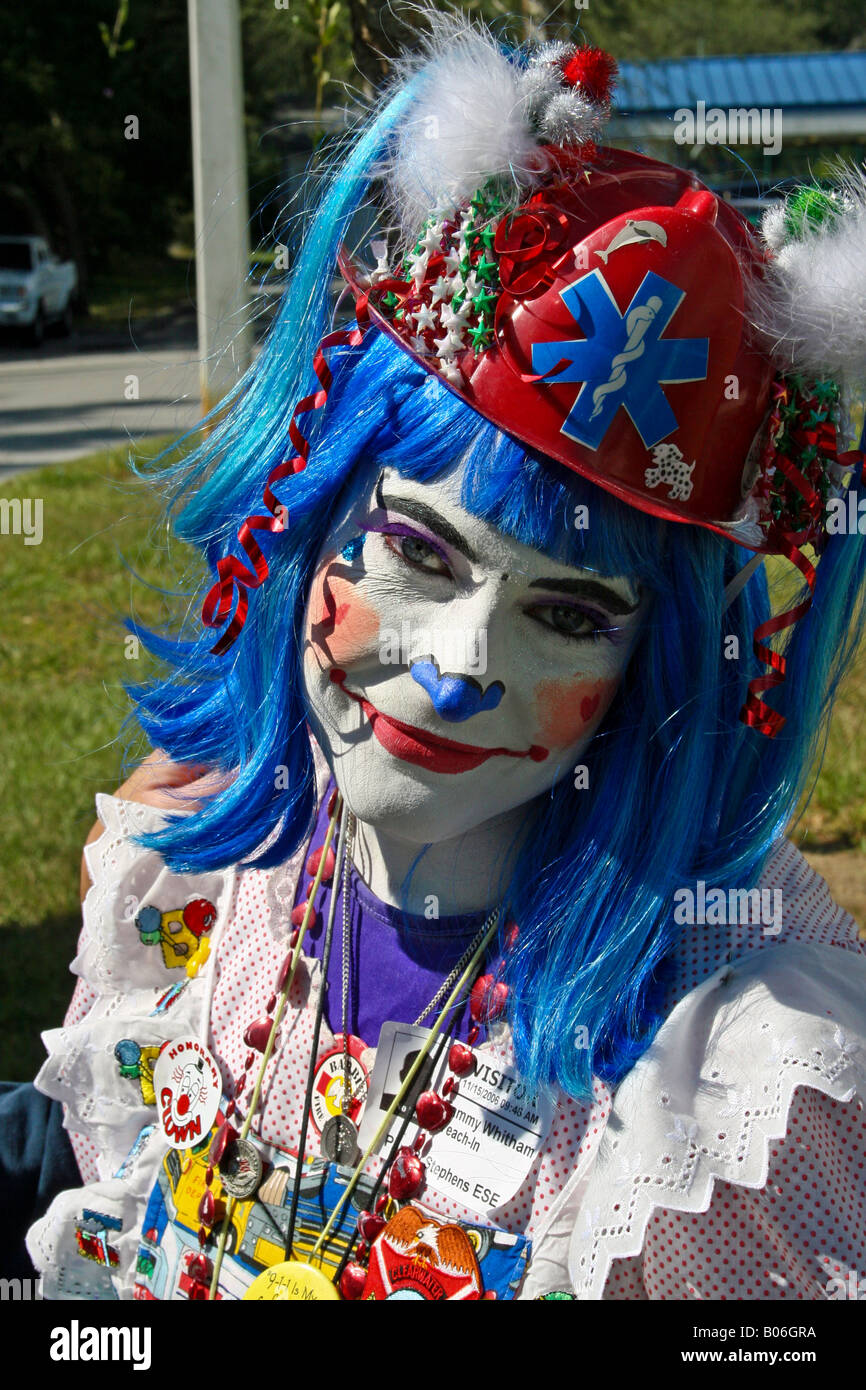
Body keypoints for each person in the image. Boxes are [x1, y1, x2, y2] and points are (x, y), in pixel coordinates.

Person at [23, 16, 866, 1300]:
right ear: (300, 522)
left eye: (570, 616)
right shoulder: (199, 882)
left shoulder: (721, 1093)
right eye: (417, 552)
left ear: (659, 670)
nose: (465, 661)